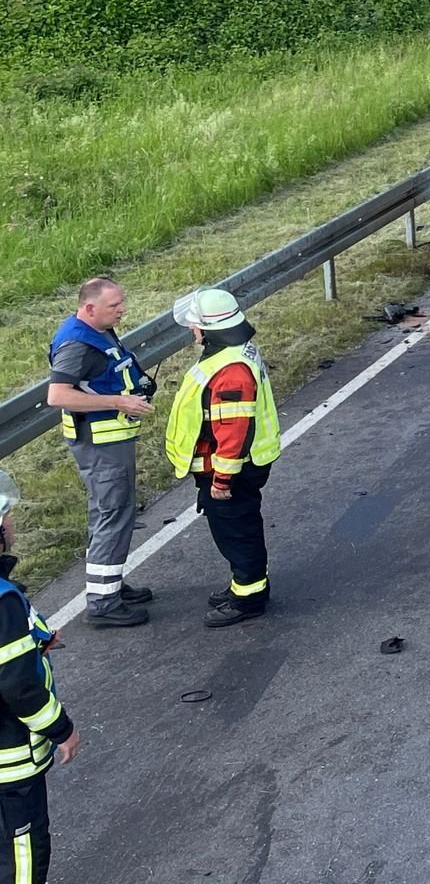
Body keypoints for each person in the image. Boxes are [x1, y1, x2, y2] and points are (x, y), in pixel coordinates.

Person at [165, 288, 281, 626]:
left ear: (209, 328)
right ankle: (243, 585)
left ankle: (249, 598)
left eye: (195, 325)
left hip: (230, 469)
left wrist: (221, 480)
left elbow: (232, 431)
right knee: (234, 528)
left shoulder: (230, 370)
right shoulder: (229, 354)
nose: (192, 331)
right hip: (231, 466)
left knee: (236, 531)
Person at [45, 278, 152, 629]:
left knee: (107, 511)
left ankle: (109, 583)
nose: (122, 310)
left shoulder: (94, 329)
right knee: (113, 513)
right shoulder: (76, 344)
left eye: (121, 303)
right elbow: (58, 396)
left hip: (109, 442)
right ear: (89, 308)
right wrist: (119, 401)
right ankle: (104, 602)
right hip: (101, 444)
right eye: (114, 306)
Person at [0, 467, 77, 884]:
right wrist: (62, 730)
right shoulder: (2, 601)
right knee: (23, 857)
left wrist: (33, 640)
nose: (11, 522)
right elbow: (17, 685)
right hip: (10, 764)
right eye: (4, 516)